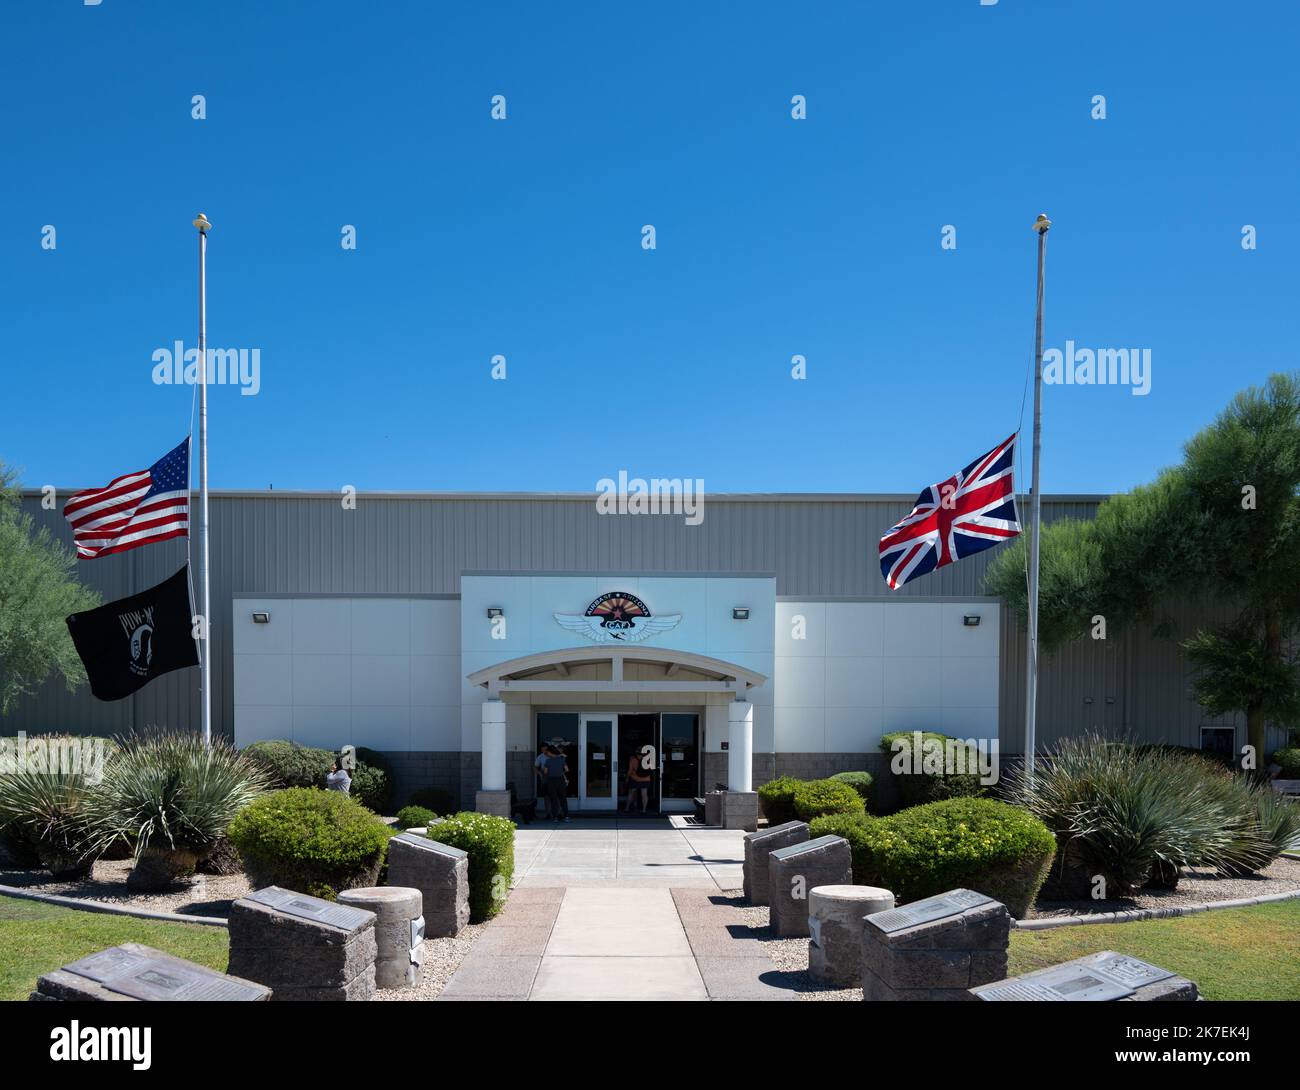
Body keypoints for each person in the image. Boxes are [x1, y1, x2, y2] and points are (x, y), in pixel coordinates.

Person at [542, 744, 570, 822]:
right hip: (560, 780)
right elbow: (567, 769)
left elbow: (545, 771)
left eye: (548, 752)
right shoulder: (562, 759)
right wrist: (560, 771)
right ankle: (566, 817)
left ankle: (555, 817)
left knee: (554, 800)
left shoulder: (548, 760)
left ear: (551, 752)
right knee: (563, 799)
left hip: (551, 781)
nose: (547, 754)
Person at [625, 749, 652, 814]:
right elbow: (651, 769)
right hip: (645, 779)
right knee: (644, 795)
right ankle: (644, 810)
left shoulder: (633, 759)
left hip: (635, 779)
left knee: (631, 794)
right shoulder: (648, 759)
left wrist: (627, 778)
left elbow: (630, 770)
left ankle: (627, 808)